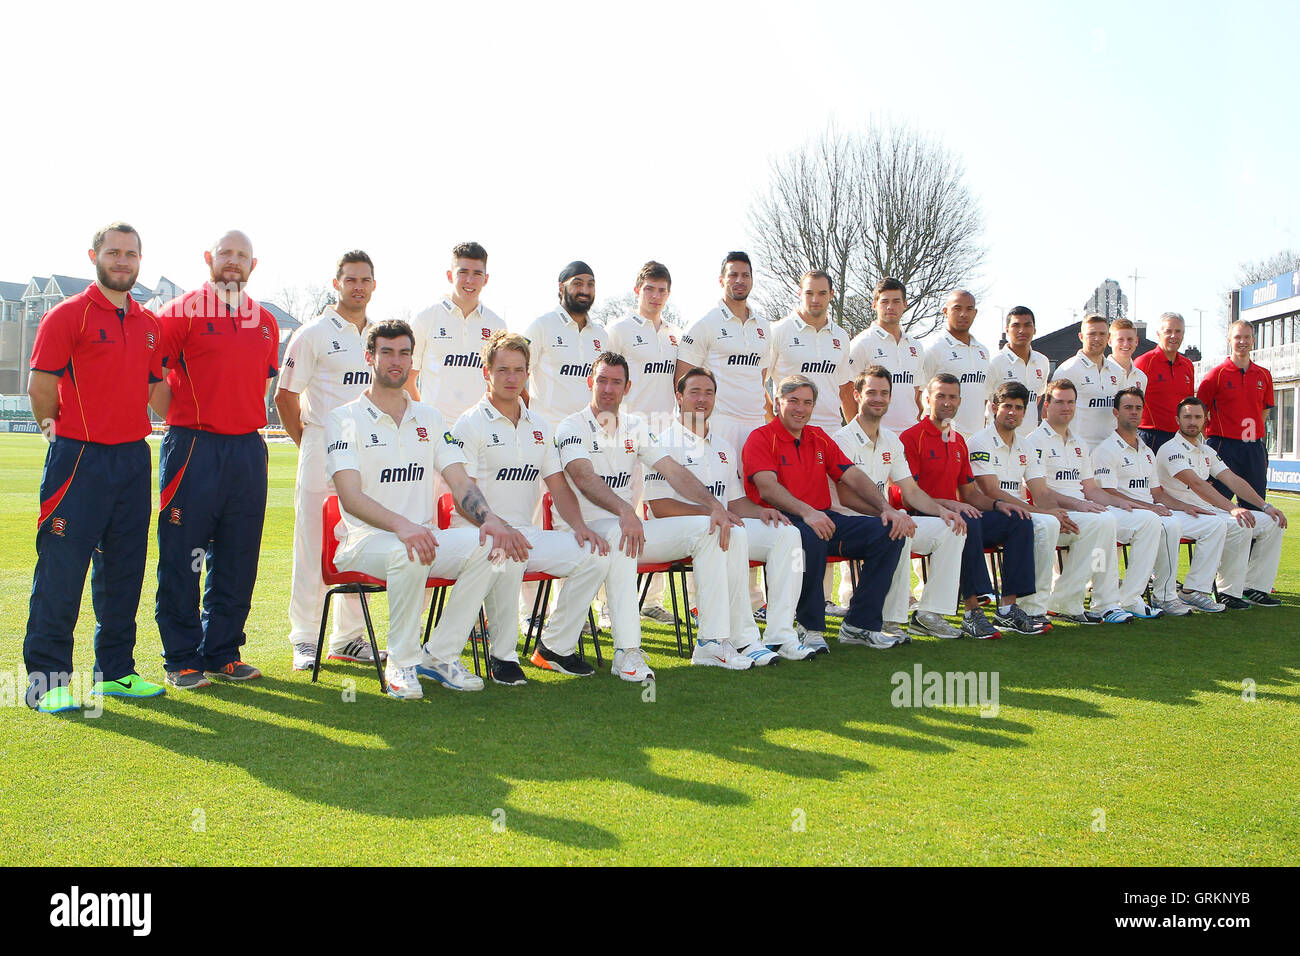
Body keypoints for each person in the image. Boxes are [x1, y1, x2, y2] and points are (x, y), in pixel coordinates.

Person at [325, 320, 532, 698]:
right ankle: (401, 663)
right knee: (409, 550)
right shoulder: (343, 419)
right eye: (387, 352)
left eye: (404, 353)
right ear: (369, 357)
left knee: (492, 545)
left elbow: (460, 482)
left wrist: (491, 520)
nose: (396, 361)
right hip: (363, 540)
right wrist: (402, 526)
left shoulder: (430, 418)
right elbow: (350, 496)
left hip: (422, 535)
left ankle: (440, 654)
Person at [22, 222, 167, 713]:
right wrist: (57, 436)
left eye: (131, 254)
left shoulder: (149, 324)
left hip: (132, 458)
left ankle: (116, 672)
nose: (122, 261)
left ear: (140, 260)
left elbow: (153, 388)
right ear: (94, 256)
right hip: (78, 457)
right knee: (62, 569)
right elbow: (41, 385)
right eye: (113, 252)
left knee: (124, 569)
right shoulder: (68, 315)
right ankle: (47, 682)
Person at [555, 353, 745, 680]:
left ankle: (711, 642)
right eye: (602, 380)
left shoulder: (636, 426)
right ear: (590, 382)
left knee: (710, 527)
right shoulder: (571, 426)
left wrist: (714, 505)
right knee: (623, 534)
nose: (608, 389)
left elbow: (673, 470)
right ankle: (627, 652)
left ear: (627, 387)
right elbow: (584, 477)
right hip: (583, 531)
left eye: (616, 382)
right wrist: (625, 509)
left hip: (626, 528)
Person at [151, 230, 280, 689]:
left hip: (247, 450)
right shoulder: (180, 311)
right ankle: (181, 657)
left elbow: (261, 383)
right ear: (209, 257)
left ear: (253, 264)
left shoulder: (266, 321)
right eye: (226, 253)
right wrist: (185, 420)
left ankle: (222, 651)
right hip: (194, 448)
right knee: (185, 556)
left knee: (237, 556)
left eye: (242, 255)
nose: (233, 261)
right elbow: (152, 377)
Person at [452, 331, 610, 684]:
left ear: (528, 374)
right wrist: (499, 527)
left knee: (595, 555)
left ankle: (554, 647)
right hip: (477, 534)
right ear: (486, 372)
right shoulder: (469, 423)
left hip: (523, 533)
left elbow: (559, 487)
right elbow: (463, 495)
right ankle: (503, 656)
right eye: (503, 370)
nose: (511, 378)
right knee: (508, 550)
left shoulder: (540, 426)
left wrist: (580, 527)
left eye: (518, 370)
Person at [644, 367, 814, 665]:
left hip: (721, 527)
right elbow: (659, 507)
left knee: (788, 534)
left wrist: (761, 511)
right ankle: (743, 638)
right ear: (679, 397)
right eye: (694, 392)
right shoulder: (661, 443)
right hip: (679, 532)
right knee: (733, 532)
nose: (702, 399)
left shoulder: (723, 446)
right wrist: (713, 512)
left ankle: (781, 634)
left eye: (708, 393)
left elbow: (734, 502)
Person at [743, 375, 912, 651]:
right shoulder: (761, 437)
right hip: (781, 521)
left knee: (889, 532)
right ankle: (808, 627)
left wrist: (886, 509)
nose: (800, 409)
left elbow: (852, 475)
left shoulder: (818, 437)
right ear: (777, 402)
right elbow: (767, 488)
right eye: (793, 401)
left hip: (822, 518)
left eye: (807, 402)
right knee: (811, 536)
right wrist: (807, 512)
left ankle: (859, 625)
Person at [276, 251, 378, 671]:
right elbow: (285, 395)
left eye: (365, 280)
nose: (358, 287)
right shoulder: (313, 333)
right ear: (337, 283)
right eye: (350, 279)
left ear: (374, 285)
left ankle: (348, 637)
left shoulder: (378, 336)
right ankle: (305, 637)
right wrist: (308, 442)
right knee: (313, 543)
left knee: (361, 540)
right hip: (321, 442)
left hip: (368, 450)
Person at [900, 374, 1043, 637]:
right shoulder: (911, 437)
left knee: (1019, 519)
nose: (947, 402)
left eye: (952, 397)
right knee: (969, 521)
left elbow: (969, 494)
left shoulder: (958, 441)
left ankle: (1007, 609)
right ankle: (972, 612)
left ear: (960, 401)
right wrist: (950, 505)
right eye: (941, 396)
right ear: (927, 399)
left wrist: (998, 505)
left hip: (958, 517)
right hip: (925, 515)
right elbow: (909, 494)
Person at [833, 367, 968, 641]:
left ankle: (930, 615)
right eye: (871, 392)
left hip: (884, 517)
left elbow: (912, 491)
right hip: (849, 521)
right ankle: (890, 621)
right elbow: (845, 497)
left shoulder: (891, 440)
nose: (878, 398)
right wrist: (890, 513)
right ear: (857, 395)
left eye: (884, 393)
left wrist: (943, 511)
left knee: (952, 529)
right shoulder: (841, 439)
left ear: (890, 397)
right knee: (898, 530)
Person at [1023, 379, 1161, 624]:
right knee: (1103, 522)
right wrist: (1081, 505)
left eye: (1071, 402)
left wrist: (1121, 503)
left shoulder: (1079, 442)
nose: (1066, 407)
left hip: (1083, 512)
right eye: (1059, 402)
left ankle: (1127, 598)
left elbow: (1091, 490)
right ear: (1046, 405)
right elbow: (1041, 493)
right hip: (1054, 513)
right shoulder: (1034, 441)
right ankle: (1099, 602)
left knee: (1148, 520)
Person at [1091, 387, 1232, 615]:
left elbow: (1157, 494)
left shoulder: (1147, 451)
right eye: (1128, 408)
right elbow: (1107, 492)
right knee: (1165, 524)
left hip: (1148, 512)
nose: (1134, 412)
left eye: (1138, 408)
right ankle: (1159, 597)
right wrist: (1148, 507)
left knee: (1214, 523)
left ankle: (1193, 591)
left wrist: (1185, 506)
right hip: (1118, 512)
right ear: (1116, 413)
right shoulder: (1106, 450)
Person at [606, 261, 684, 626]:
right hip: (624, 436)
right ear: (637, 290)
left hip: (662, 440)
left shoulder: (674, 335)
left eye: (662, 290)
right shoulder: (618, 330)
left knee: (657, 517)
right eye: (649, 289)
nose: (655, 296)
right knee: (620, 516)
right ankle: (608, 603)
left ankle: (651, 600)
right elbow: (605, 381)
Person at [1156, 397, 1286, 609]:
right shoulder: (1170, 449)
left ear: (1205, 420)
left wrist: (1265, 506)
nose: (1192, 422)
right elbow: (1197, 484)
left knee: (1272, 521)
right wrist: (1233, 508)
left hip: (1206, 511)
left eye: (1197, 417)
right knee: (1237, 523)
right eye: (1187, 417)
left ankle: (1252, 587)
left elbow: (1232, 479)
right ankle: (1201, 591)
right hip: (1179, 512)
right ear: (1177, 420)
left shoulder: (1207, 450)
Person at [966, 381, 1062, 630]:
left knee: (1048, 521)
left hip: (1015, 515)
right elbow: (990, 490)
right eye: (1007, 406)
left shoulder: (1025, 445)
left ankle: (1015, 608)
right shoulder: (980, 441)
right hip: (985, 514)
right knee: (1036, 522)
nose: (1013, 412)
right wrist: (1040, 512)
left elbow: (1040, 490)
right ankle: (1028, 607)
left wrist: (1061, 512)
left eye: (1019, 408)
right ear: (993, 408)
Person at [675, 251, 772, 459]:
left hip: (756, 424)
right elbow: (681, 382)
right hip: (719, 424)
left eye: (745, 275)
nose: (739, 280)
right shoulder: (704, 323)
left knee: (755, 481)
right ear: (721, 280)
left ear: (752, 280)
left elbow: (760, 379)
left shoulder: (764, 327)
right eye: (733, 275)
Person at [406, 241, 505, 422]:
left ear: (486, 279)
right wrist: (424, 418)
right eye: (463, 272)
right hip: (435, 430)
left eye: (477, 274)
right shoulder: (425, 318)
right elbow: (408, 379)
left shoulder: (497, 325)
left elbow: (498, 383)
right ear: (450, 275)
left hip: (479, 429)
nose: (470, 280)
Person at [522, 261, 609, 427]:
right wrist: (533, 412)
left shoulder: (601, 335)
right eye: (577, 283)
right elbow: (516, 376)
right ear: (561, 288)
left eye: (590, 285)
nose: (585, 290)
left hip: (588, 432)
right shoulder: (541, 326)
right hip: (548, 432)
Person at [1196, 320, 1273, 509]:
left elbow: (1265, 409)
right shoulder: (1215, 375)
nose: (1242, 341)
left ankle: (1252, 531)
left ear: (1253, 340)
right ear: (1229, 339)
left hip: (1253, 448)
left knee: (1256, 506)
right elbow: (1200, 412)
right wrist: (1212, 439)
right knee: (1216, 505)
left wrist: (1250, 433)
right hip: (1223, 447)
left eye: (1247, 337)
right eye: (1238, 337)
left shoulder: (1264, 375)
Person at [767, 270, 851, 432]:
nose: (815, 300)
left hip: (831, 430)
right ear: (799, 293)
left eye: (822, 293)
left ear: (831, 294)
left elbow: (843, 389)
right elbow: (758, 384)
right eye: (809, 293)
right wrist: (774, 422)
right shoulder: (779, 331)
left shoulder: (841, 336)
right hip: (791, 429)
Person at [841, 277, 925, 435]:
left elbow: (915, 394)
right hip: (876, 436)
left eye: (896, 301)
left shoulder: (916, 347)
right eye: (885, 301)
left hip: (910, 436)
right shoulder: (862, 343)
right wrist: (858, 434)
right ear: (874, 305)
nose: (890, 307)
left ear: (905, 304)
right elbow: (847, 393)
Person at [919, 289, 993, 439]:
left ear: (975, 313)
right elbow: (918, 393)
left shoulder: (983, 351)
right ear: (945, 312)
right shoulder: (935, 348)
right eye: (957, 308)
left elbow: (983, 396)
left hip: (977, 437)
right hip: (944, 436)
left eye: (969, 309)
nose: (963, 314)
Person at [1055, 313, 1130, 449]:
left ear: (1108, 337)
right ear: (1081, 337)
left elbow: (1123, 414)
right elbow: (1053, 415)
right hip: (1077, 451)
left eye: (1102, 334)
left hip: (1110, 451)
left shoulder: (1118, 372)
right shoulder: (1068, 370)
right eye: (1092, 334)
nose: (1097, 338)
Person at [985, 306, 1050, 439]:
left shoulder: (1042, 361)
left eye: (1027, 325)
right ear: (1007, 329)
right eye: (1016, 325)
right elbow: (983, 400)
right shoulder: (995, 362)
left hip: (1030, 441)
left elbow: (1036, 397)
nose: (1022, 330)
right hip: (998, 439)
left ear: (1034, 329)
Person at [1134, 311, 1195, 452]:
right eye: (1168, 331)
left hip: (1180, 438)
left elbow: (1189, 402)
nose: (1174, 336)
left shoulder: (1187, 365)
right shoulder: (1144, 362)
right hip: (1150, 436)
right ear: (1158, 334)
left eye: (1178, 331)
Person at [1107, 318, 1148, 392]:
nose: (1125, 344)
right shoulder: (1101, 372)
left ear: (1136, 341)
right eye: (1120, 339)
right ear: (1109, 341)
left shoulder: (1141, 377)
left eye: (1130, 339)